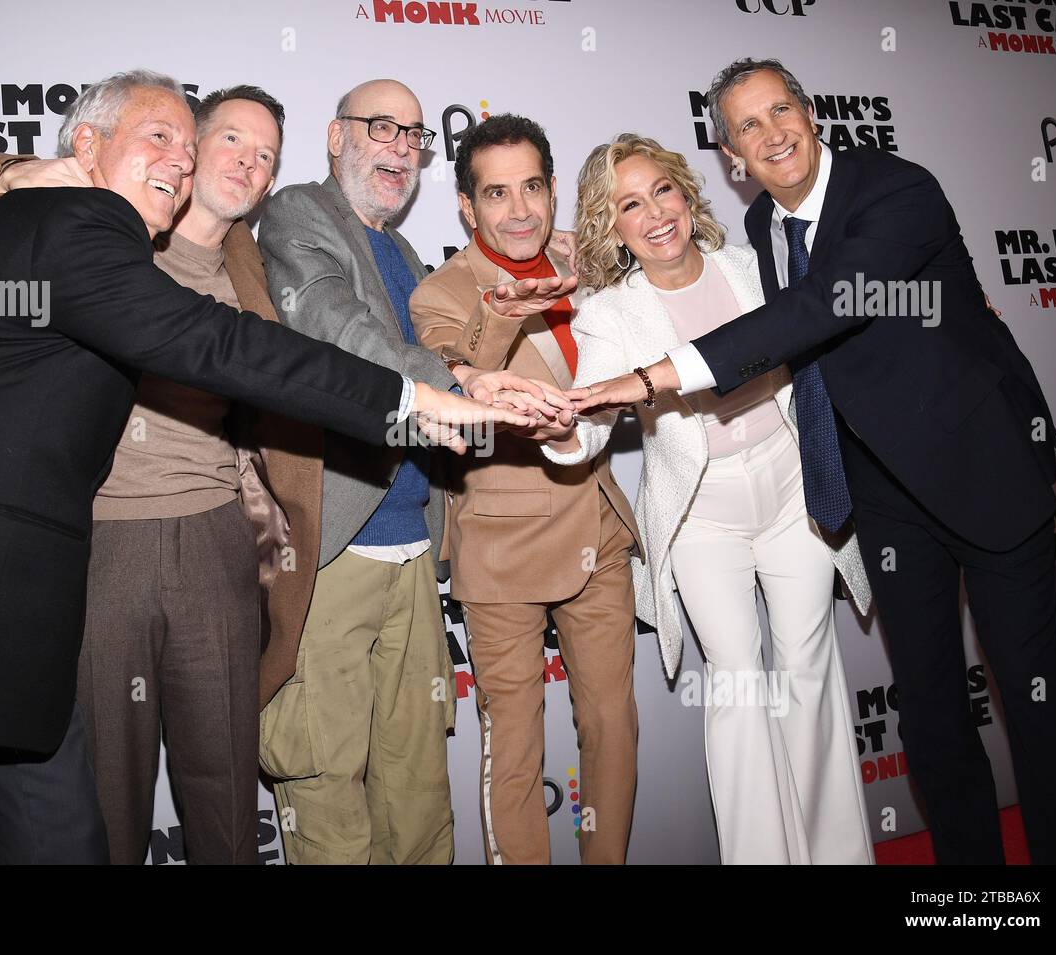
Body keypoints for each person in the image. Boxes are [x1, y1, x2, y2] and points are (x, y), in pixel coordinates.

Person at [0, 69, 532, 865]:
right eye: (163, 138)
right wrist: (413, 399)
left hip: (15, 653)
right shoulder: (70, 218)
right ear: (84, 147)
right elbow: (222, 345)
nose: (182, 159)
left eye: (190, 142)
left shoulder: (144, 242)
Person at [574, 59, 1056, 865]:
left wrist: (653, 377)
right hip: (883, 493)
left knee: (1036, 702)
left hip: (984, 469)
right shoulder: (758, 233)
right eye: (748, 126)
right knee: (929, 713)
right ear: (731, 155)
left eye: (782, 110)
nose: (772, 133)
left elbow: (827, 307)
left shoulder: (896, 189)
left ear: (811, 112)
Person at [0, 84, 329, 865]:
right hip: (100, 545)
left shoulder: (253, 268)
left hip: (215, 543)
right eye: (232, 139)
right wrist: (20, 175)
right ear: (188, 148)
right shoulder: (98, 231)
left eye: (266, 155)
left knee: (227, 800)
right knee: (102, 804)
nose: (249, 162)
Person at [256, 80, 566, 865]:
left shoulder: (397, 251)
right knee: (326, 784)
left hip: (413, 549)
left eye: (415, 136)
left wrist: (469, 379)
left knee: (419, 784)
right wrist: (454, 385)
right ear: (336, 137)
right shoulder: (298, 212)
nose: (401, 148)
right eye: (381, 128)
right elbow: (336, 328)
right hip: (334, 550)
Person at [549, 133, 873, 864]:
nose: (655, 213)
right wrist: (563, 428)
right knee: (736, 680)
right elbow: (592, 416)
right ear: (612, 226)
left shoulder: (755, 266)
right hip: (701, 510)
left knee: (808, 667)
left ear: (687, 193)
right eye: (630, 204)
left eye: (663, 190)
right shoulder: (610, 314)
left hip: (792, 488)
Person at [410, 114, 643, 865]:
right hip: (503, 543)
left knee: (612, 725)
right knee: (513, 742)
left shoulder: (588, 262)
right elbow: (455, 380)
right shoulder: (441, 295)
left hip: (599, 530)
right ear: (466, 207)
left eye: (533, 187)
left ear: (552, 188)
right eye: (496, 193)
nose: (518, 210)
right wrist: (497, 318)